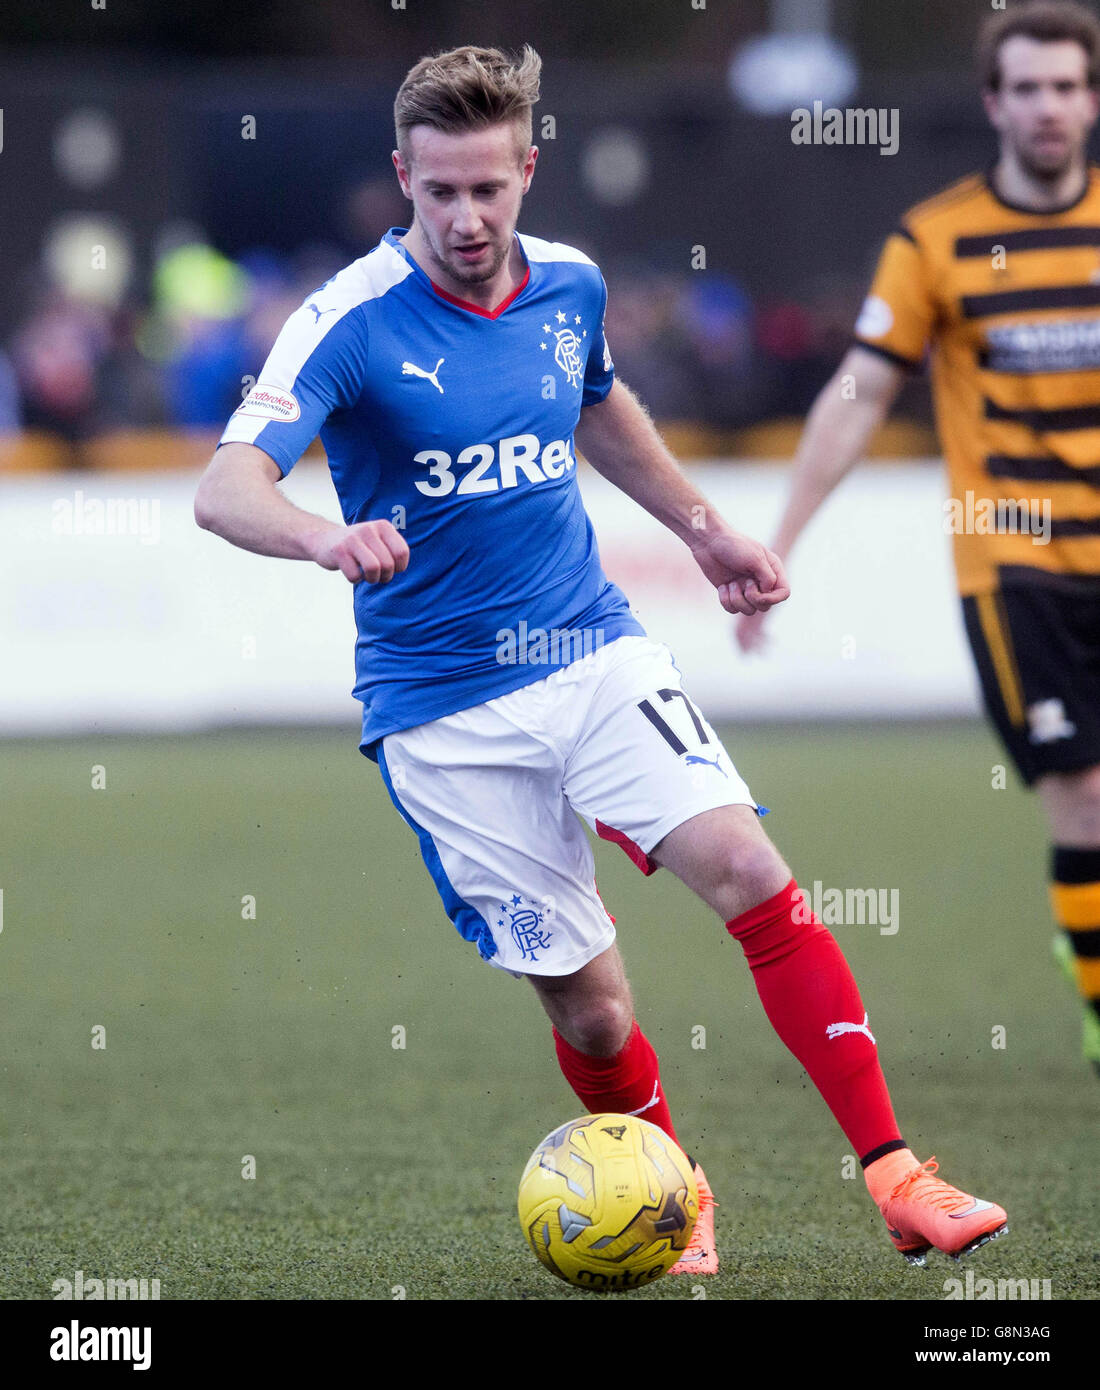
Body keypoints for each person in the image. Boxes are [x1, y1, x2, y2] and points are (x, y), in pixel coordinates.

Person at [195, 44, 1006, 1275]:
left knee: (746, 864)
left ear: (527, 170)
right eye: (439, 194)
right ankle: (671, 1193)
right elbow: (223, 487)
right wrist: (321, 535)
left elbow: (595, 404)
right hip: (441, 711)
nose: (466, 219)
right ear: (400, 177)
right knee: (594, 1005)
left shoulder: (567, 286)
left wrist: (707, 530)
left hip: (590, 647)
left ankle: (896, 1174)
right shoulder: (345, 321)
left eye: (489, 190)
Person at [738, 1, 1100, 1077]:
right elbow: (855, 397)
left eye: (1066, 86)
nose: (1047, 106)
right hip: (1016, 567)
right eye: (1025, 87)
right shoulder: (935, 238)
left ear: (1089, 98)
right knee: (1081, 792)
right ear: (994, 103)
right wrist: (780, 543)